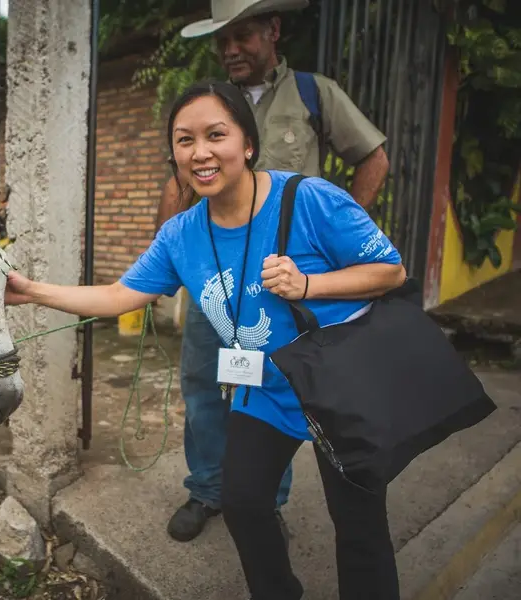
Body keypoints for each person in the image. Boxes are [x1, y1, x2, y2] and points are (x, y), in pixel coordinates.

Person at [6, 80, 405, 600]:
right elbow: (117, 295)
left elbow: (390, 271)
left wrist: (308, 284)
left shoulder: (309, 199)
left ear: (247, 144)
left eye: (216, 135)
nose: (200, 153)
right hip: (264, 391)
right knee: (242, 503)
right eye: (184, 140)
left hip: (338, 386)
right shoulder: (180, 234)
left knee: (359, 526)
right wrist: (32, 291)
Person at [158, 0, 391, 543]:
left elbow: (373, 157)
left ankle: (266, 501)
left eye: (243, 36)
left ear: (274, 30)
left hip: (277, 290)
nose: (232, 49)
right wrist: (167, 262)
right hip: (212, 283)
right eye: (223, 40)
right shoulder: (208, 101)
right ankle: (207, 488)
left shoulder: (315, 93)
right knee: (201, 387)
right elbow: (178, 182)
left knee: (269, 392)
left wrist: (341, 247)